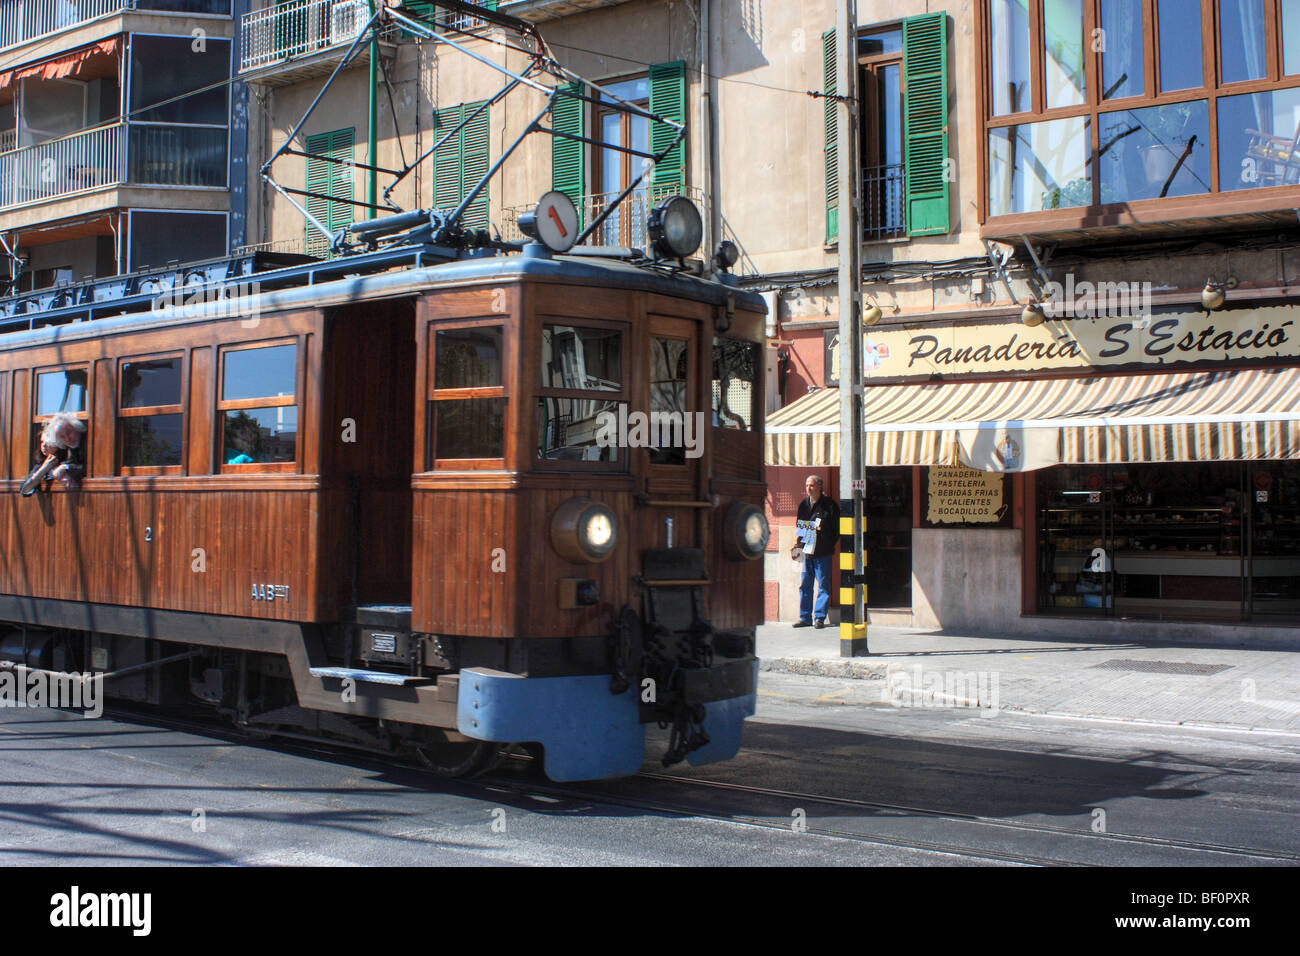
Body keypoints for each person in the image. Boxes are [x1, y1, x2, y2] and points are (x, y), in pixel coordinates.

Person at [792, 474, 839, 628]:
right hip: (806, 552)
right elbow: (800, 527)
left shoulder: (830, 505)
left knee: (823, 585)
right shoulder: (803, 505)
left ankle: (819, 618)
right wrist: (797, 544)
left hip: (822, 553)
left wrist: (826, 542)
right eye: (806, 485)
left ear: (820, 486)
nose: (808, 488)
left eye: (811, 485)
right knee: (805, 585)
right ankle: (805, 617)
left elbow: (836, 529)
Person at [38, 412, 87, 490]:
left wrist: (66, 468)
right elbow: (69, 464)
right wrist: (62, 474)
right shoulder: (71, 447)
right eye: (62, 436)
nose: (67, 439)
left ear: (77, 428)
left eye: (69, 432)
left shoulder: (89, 442)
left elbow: (92, 469)